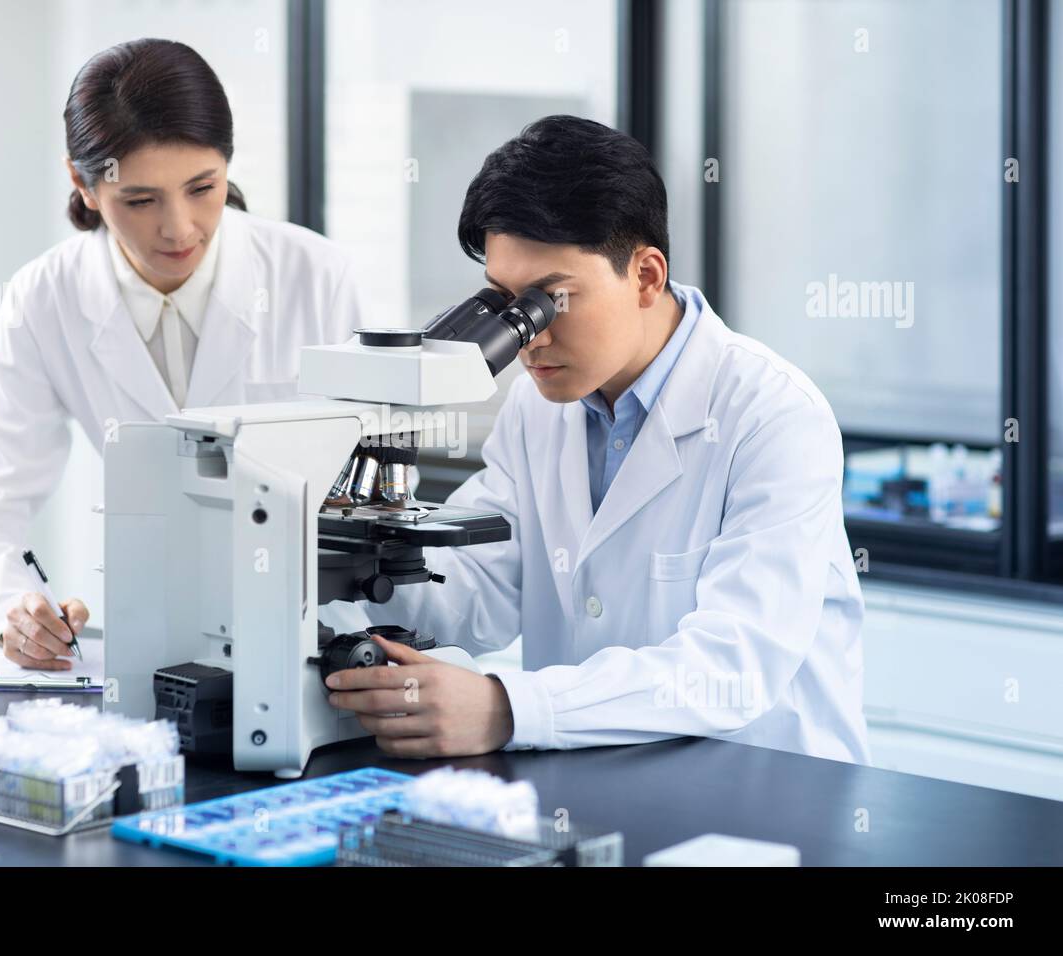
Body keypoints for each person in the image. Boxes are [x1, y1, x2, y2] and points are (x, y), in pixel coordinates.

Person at [325, 115, 870, 765]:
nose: (530, 336)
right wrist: (339, 569)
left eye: (550, 300)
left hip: (765, 790)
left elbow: (732, 667)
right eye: (504, 302)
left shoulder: (774, 415)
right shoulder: (538, 406)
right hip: (597, 776)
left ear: (645, 275)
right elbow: (478, 593)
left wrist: (505, 707)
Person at [0, 39, 362, 669]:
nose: (179, 228)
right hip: (134, 634)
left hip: (305, 630)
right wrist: (14, 608)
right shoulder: (44, 297)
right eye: (140, 200)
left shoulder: (315, 275)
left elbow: (367, 496)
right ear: (83, 185)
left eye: (203, 187)